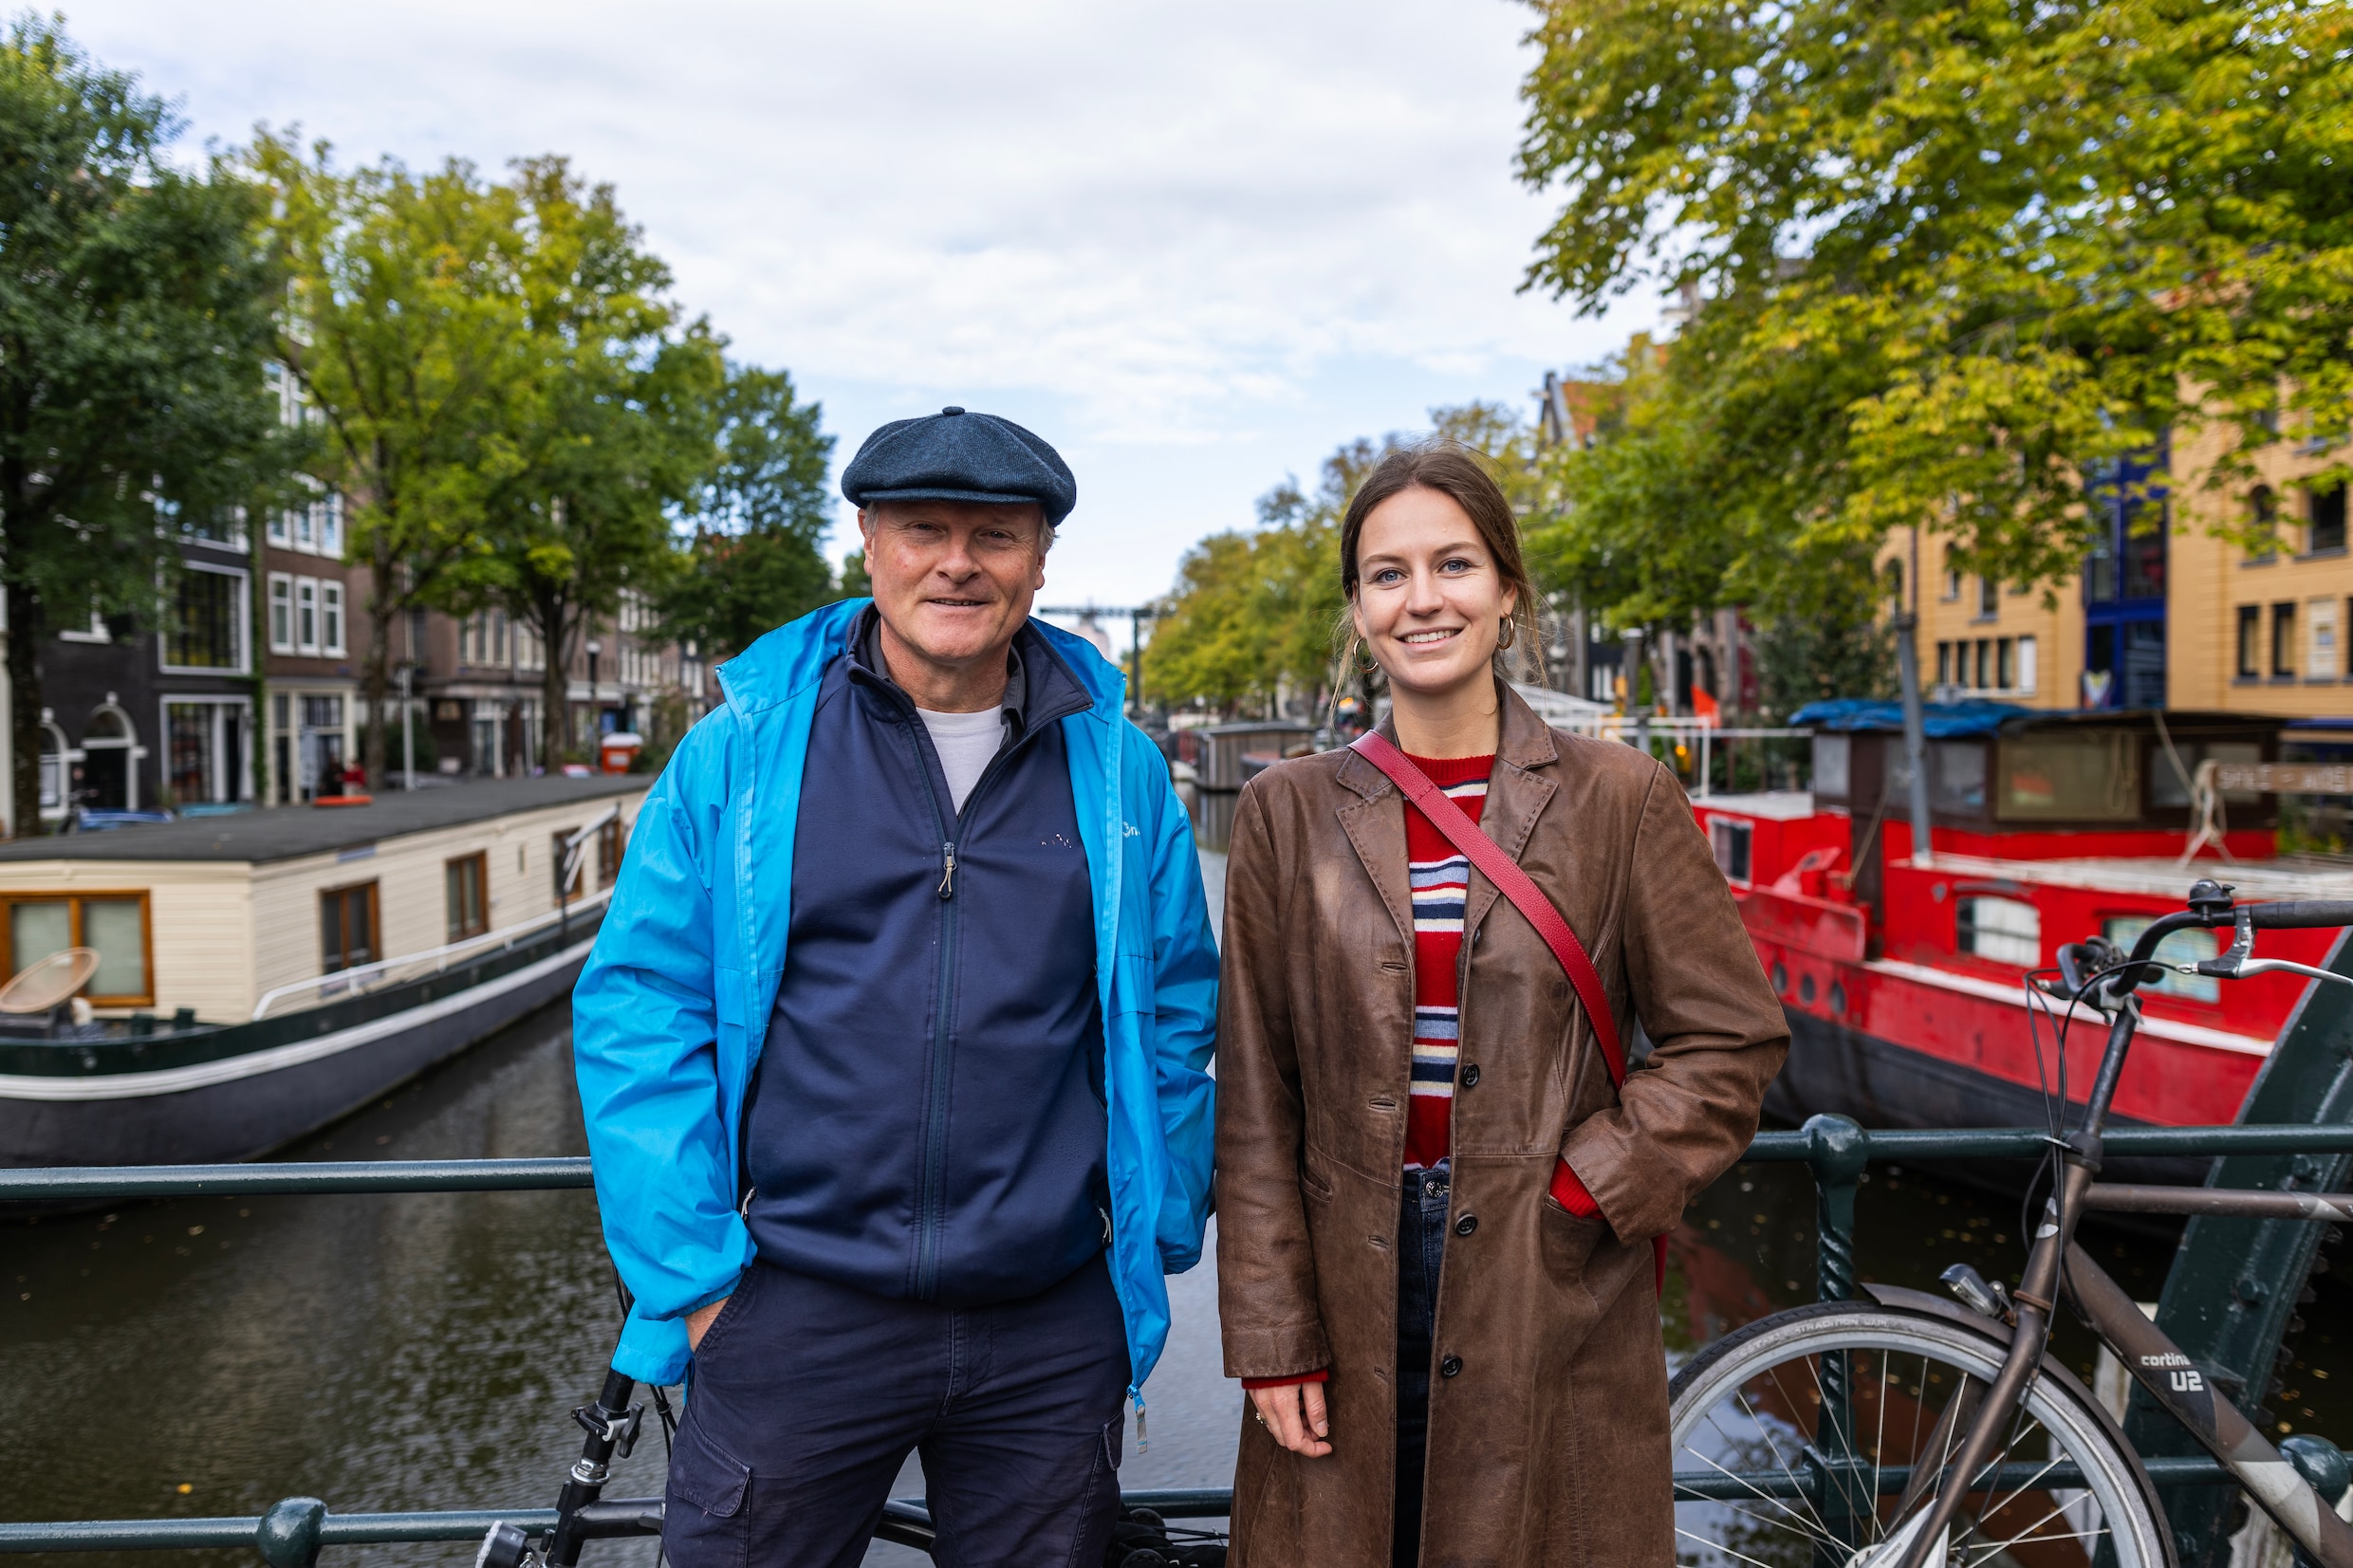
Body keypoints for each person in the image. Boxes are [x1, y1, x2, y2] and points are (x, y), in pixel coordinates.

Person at [572, 407, 1218, 1568]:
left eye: (995, 534)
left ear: (1038, 559)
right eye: (923, 528)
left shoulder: (1115, 768)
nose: (957, 562)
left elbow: (1175, 1008)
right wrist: (700, 1284)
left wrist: (1152, 1226)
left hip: (1045, 1319)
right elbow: (639, 1010)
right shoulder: (745, 753)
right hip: (792, 1308)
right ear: (868, 544)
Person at [1214, 442, 1788, 1567]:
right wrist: (1271, 1334)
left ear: (1508, 592)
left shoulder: (1618, 798)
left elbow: (1729, 1042)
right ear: (1356, 608)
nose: (1421, 599)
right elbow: (1252, 1097)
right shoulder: (1287, 811)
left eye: (1454, 564)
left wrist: (1584, 1188)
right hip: (1345, 1276)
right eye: (1387, 574)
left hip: (1548, 1277)